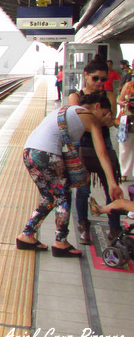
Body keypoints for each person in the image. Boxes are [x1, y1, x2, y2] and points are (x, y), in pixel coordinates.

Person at [16, 91, 121, 257]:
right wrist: (113, 183)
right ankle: (61, 241)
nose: (106, 117)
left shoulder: (68, 110)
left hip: (29, 152)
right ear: (98, 107)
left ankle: (27, 235)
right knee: (63, 196)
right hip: (48, 154)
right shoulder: (90, 117)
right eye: (106, 113)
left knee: (49, 197)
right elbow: (102, 154)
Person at [68, 55, 124, 245]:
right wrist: (99, 121)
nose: (100, 83)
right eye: (96, 78)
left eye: (104, 79)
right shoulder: (75, 96)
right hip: (81, 147)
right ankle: (84, 225)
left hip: (104, 145)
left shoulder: (109, 96)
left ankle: (114, 226)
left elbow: (111, 120)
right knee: (83, 190)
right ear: (86, 76)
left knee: (111, 188)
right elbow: (76, 122)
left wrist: (92, 120)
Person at [117, 74, 134, 182]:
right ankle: (124, 172)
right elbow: (119, 99)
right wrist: (125, 103)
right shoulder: (128, 85)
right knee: (125, 147)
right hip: (127, 119)